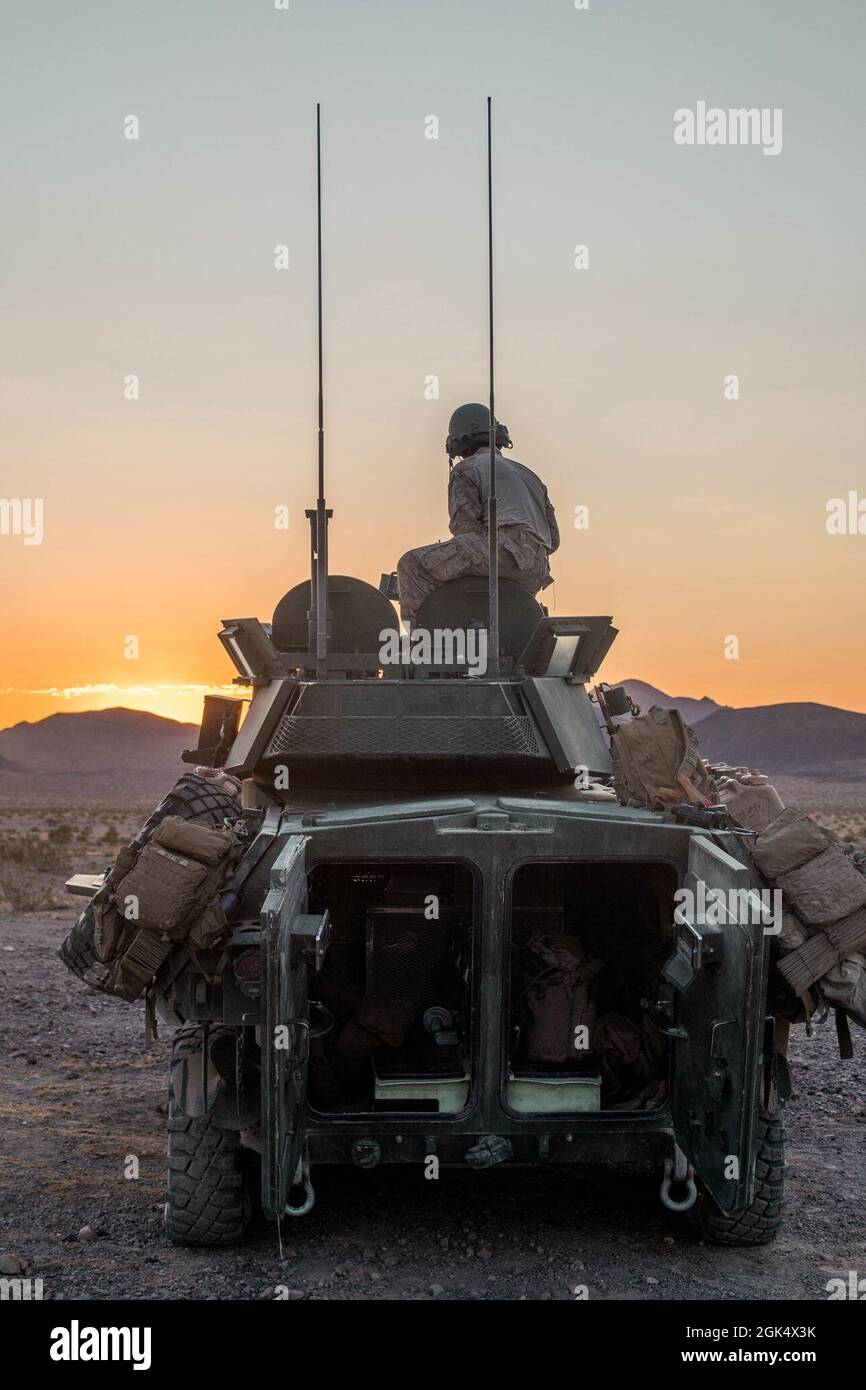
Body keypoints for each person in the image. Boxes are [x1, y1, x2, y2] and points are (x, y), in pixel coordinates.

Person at [396, 403, 559, 625]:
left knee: (411, 565)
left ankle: (421, 643)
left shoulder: (467, 468)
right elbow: (554, 539)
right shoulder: (529, 474)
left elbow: (465, 528)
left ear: (457, 444)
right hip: (536, 569)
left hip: (500, 553)